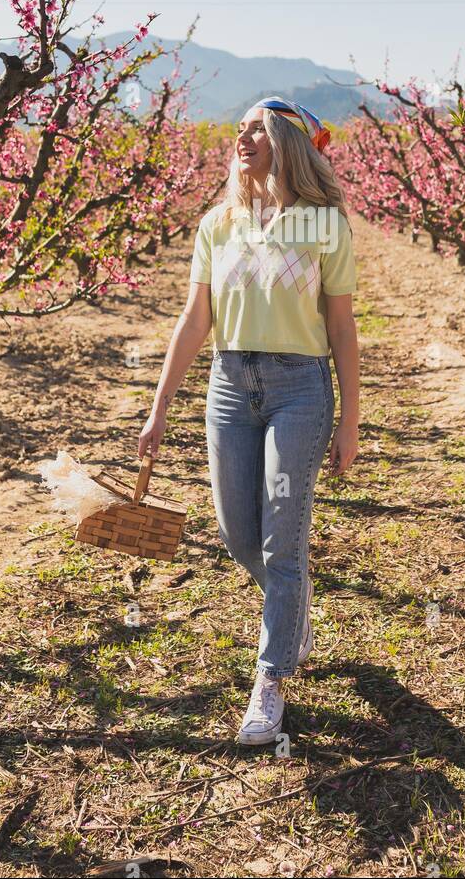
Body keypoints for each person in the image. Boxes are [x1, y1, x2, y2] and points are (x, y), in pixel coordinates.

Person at [137, 95, 360, 745]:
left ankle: (270, 681)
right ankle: (291, 615)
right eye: (237, 128)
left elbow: (342, 328)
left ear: (287, 144)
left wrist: (351, 420)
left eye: (256, 129)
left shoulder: (324, 226)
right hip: (231, 388)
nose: (242, 138)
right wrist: (158, 410)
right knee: (240, 536)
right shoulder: (219, 225)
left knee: (280, 537)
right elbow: (193, 322)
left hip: (300, 391)